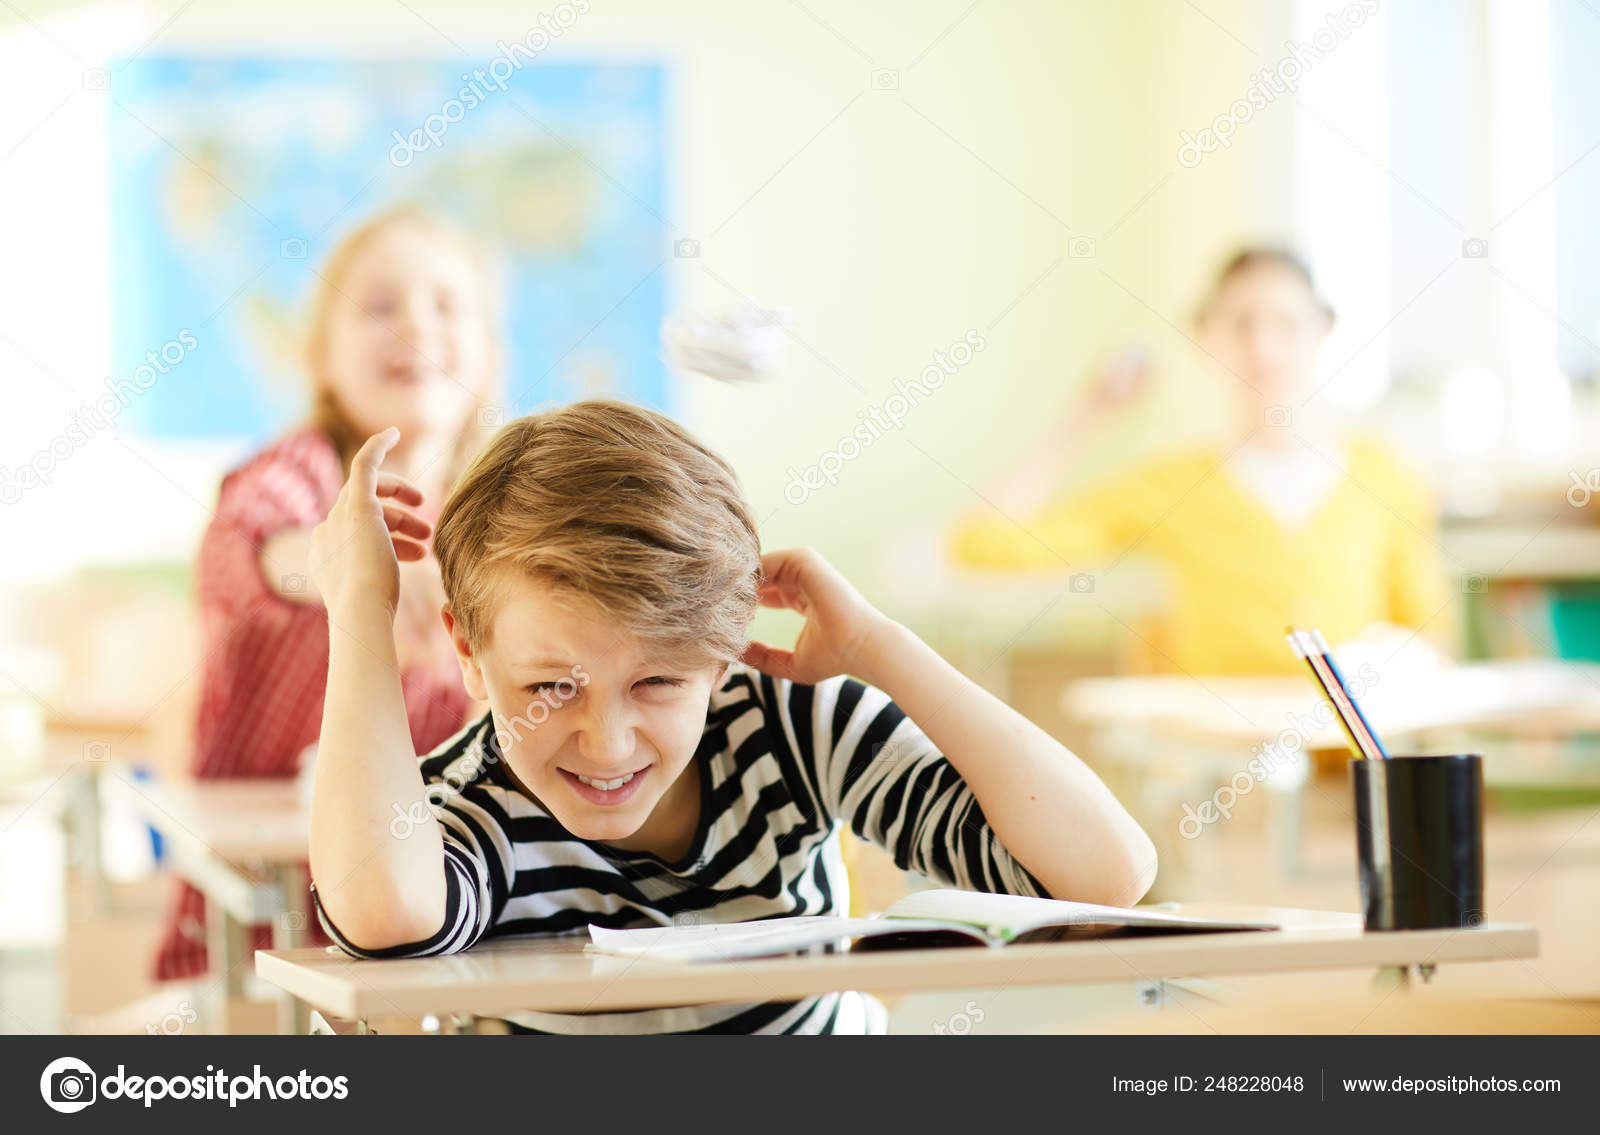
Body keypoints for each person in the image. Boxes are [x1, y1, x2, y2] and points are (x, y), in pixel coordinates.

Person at [306, 401, 1157, 1033]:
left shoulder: (792, 726)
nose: (607, 743)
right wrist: (359, 610)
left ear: (722, 657)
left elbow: (1103, 874)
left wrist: (878, 644)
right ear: (469, 653)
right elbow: (383, 914)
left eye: (659, 683)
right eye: (550, 688)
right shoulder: (478, 796)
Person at [152, 208, 500, 981]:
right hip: (256, 932)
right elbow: (245, 550)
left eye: (447, 305)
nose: (415, 324)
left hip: (442, 920)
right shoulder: (297, 474)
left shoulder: (504, 508)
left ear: (489, 357)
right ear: (320, 361)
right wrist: (342, 566)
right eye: (379, 307)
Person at [948, 248, 1446, 676]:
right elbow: (984, 543)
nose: (1264, 348)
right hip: (1227, 767)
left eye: (1286, 324)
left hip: (1352, 769)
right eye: (1241, 324)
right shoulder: (1168, 483)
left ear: (1322, 332)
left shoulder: (1385, 474)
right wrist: (1089, 414)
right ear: (1204, 336)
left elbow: (1429, 638)